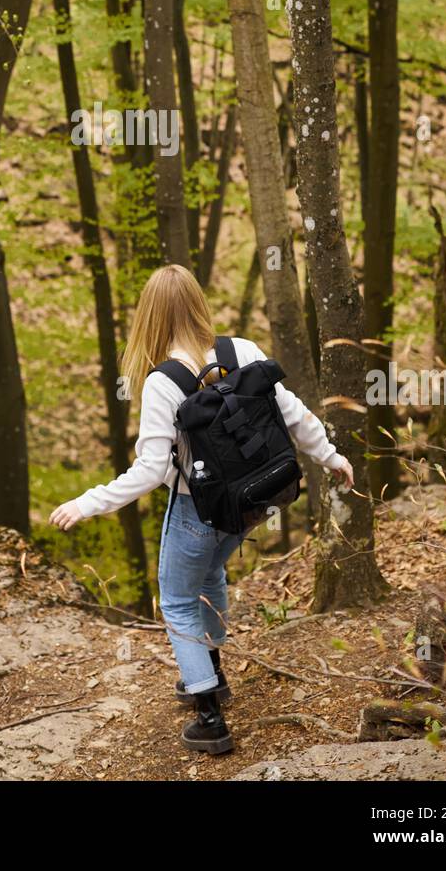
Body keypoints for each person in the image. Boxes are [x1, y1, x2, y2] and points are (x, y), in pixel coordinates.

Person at [50, 264, 354, 755]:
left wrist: (87, 503)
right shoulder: (243, 351)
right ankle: (210, 673)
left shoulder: (162, 382)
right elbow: (292, 412)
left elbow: (150, 472)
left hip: (199, 510)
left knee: (175, 599)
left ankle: (209, 715)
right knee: (210, 578)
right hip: (256, 501)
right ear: (197, 302)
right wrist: (330, 456)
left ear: (150, 316)